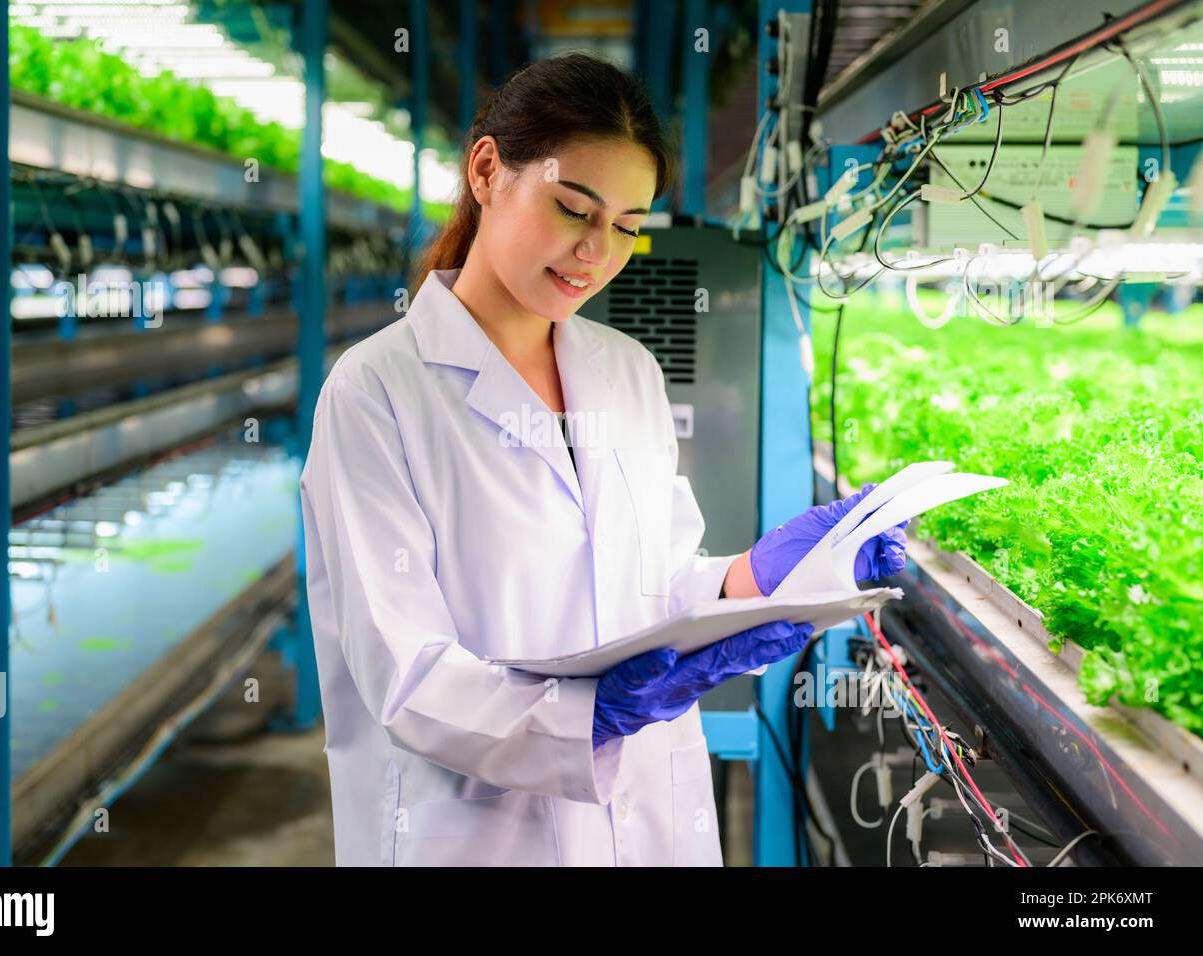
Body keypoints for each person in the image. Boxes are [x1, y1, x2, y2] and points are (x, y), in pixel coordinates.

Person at [299, 52, 907, 866]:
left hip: (647, 823)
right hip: (475, 837)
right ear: (487, 171)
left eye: (626, 226)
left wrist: (759, 579)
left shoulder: (627, 371)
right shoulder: (377, 391)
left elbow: (653, 586)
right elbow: (404, 673)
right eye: (572, 208)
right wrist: (587, 716)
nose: (596, 250)